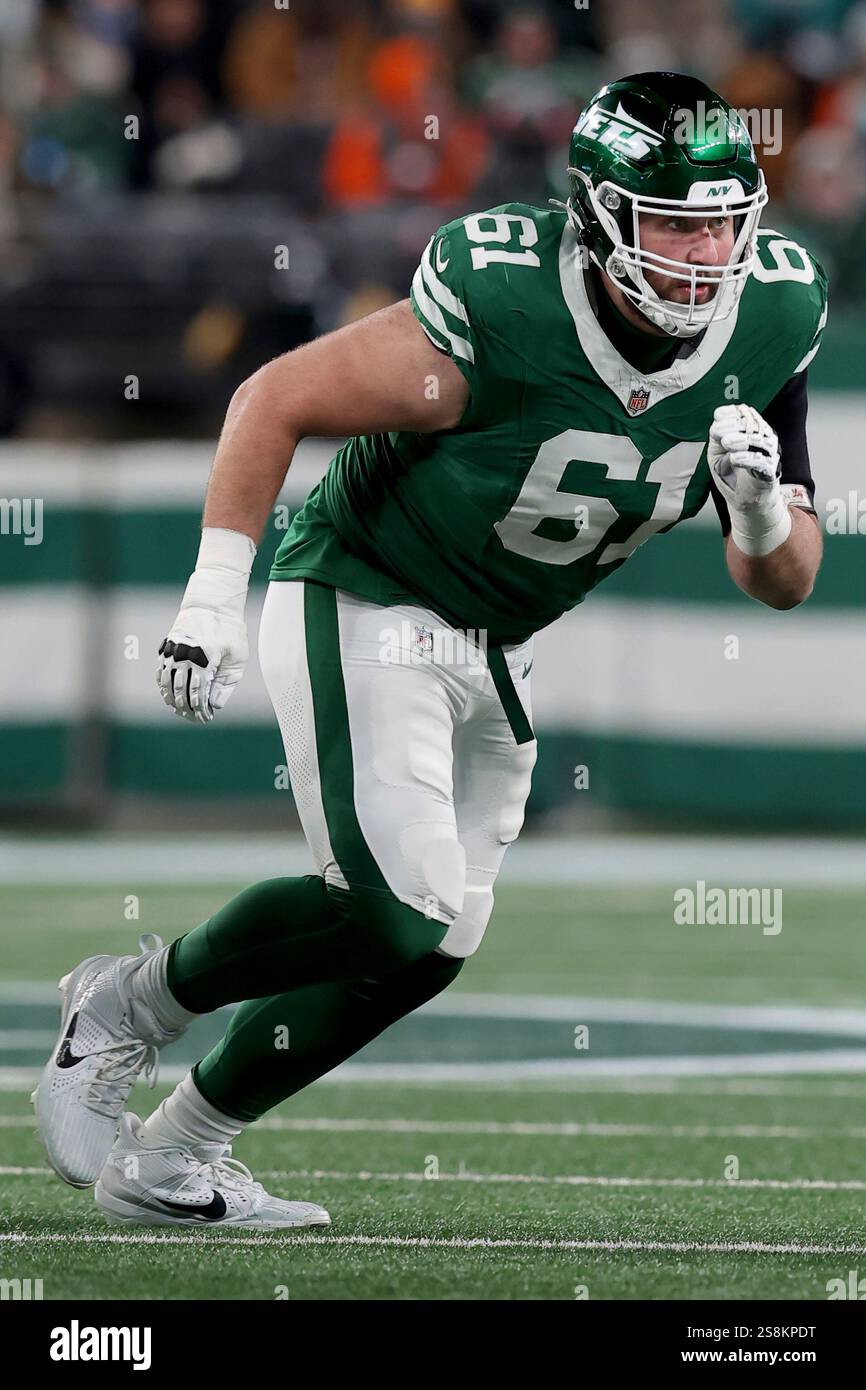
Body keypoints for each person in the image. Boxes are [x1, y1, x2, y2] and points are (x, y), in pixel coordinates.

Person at [33, 72, 827, 1229]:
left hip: (490, 635)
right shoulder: (507, 297)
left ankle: (173, 1156)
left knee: (431, 944)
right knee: (397, 905)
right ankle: (127, 1005)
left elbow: (784, 582)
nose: (704, 254)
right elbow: (273, 397)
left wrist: (758, 512)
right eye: (671, 222)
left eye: (721, 219)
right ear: (599, 215)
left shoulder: (769, 315)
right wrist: (209, 596)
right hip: (365, 584)